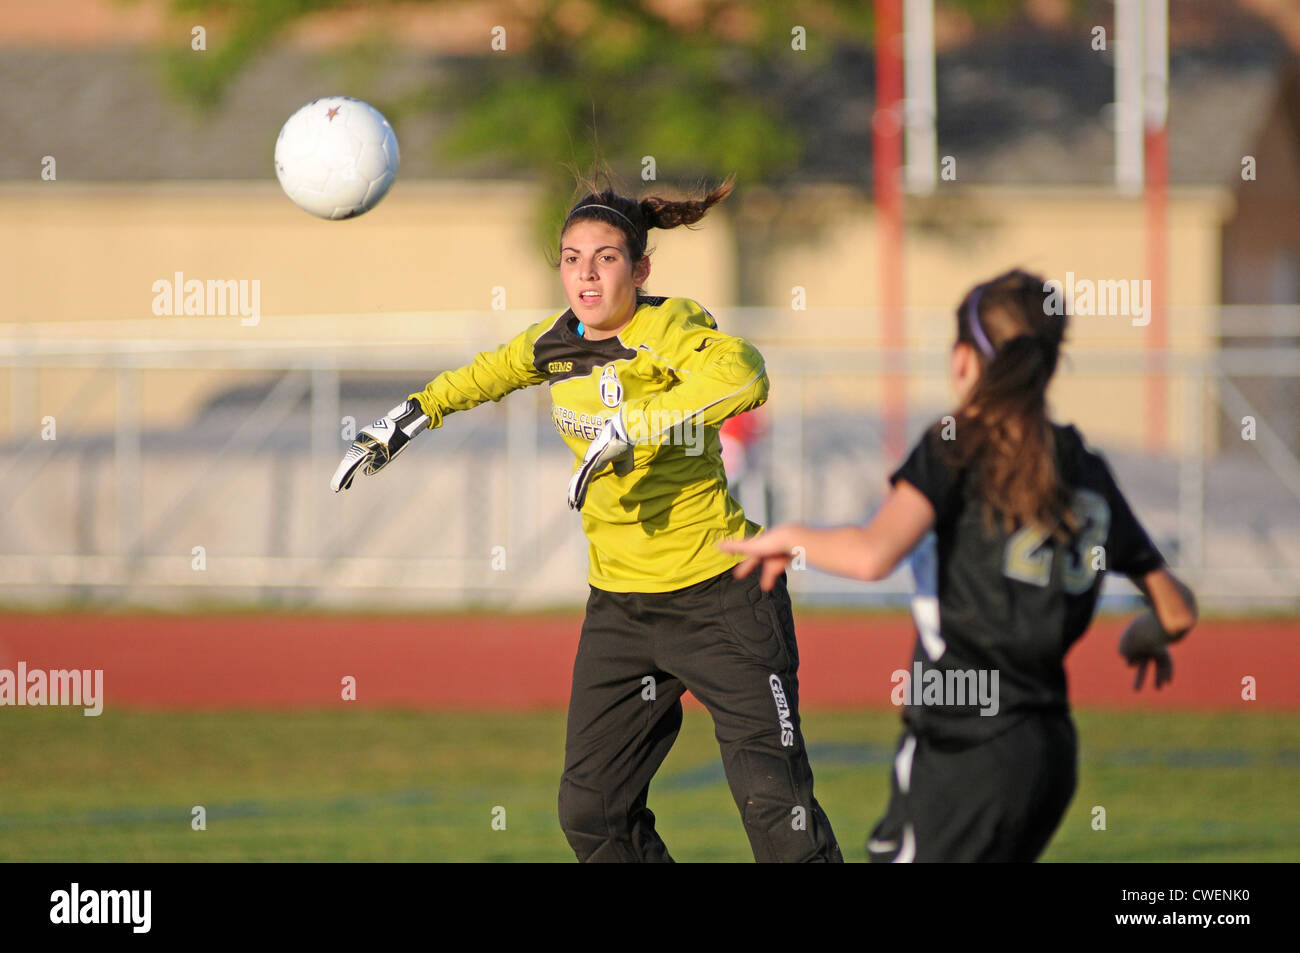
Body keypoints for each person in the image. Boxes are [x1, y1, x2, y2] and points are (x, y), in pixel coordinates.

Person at [331, 173, 842, 863]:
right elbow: (488, 372)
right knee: (593, 811)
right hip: (622, 612)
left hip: (724, 596)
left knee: (778, 814)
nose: (586, 274)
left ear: (641, 269)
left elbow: (746, 373)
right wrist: (414, 414)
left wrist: (638, 423)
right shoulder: (556, 342)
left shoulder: (670, 326)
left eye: (605, 257)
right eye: (572, 258)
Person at [720, 268, 1198, 862]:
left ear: (966, 360)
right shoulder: (1083, 465)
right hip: (1047, 752)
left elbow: (873, 554)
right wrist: (1143, 635)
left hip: (965, 749)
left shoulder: (958, 444)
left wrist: (789, 536)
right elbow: (1176, 611)